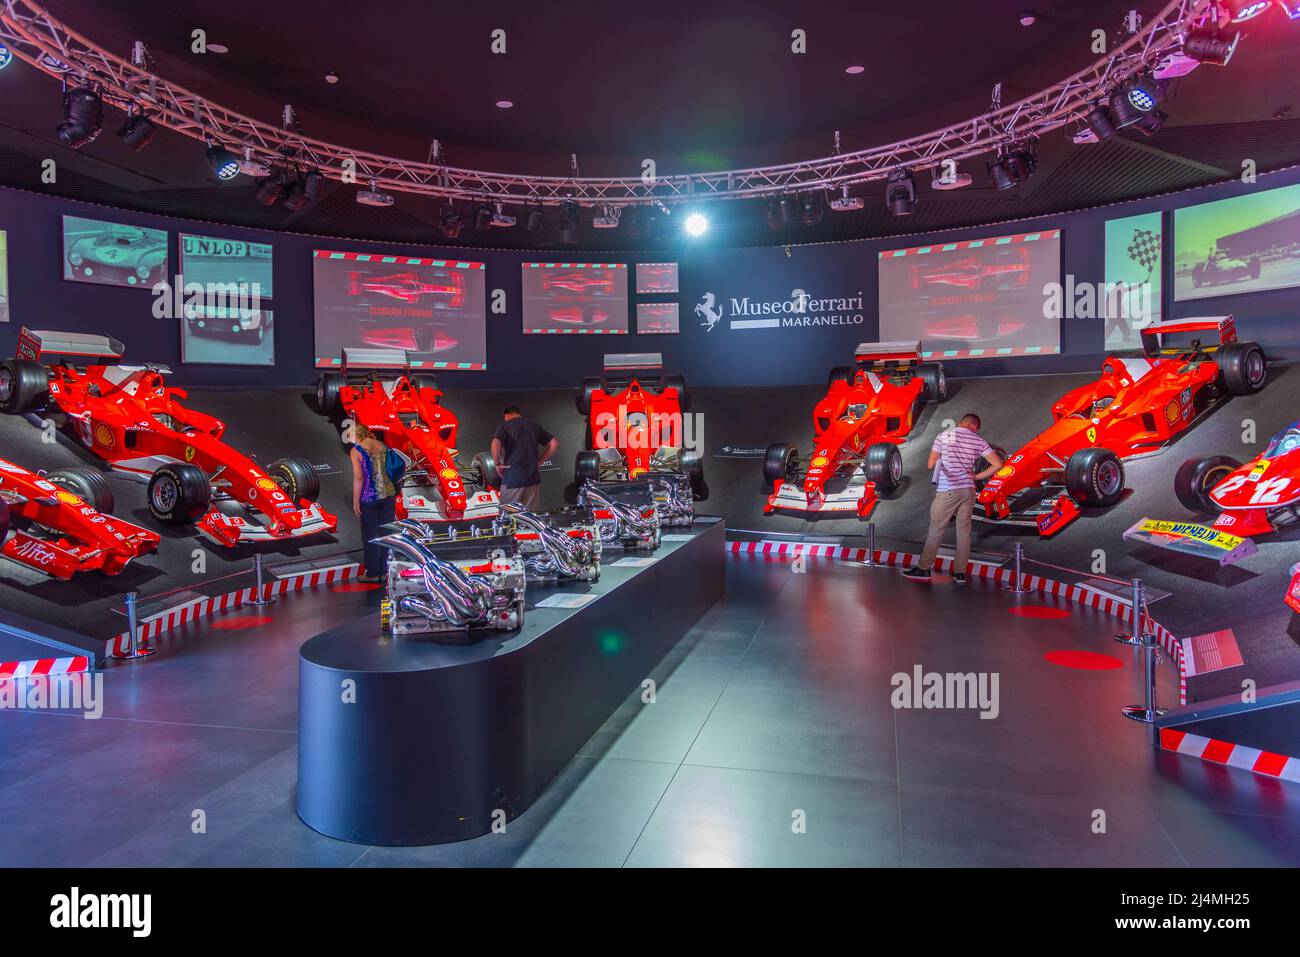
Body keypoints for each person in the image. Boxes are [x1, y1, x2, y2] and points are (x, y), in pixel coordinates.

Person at [903, 413, 1002, 585]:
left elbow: (930, 464)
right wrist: (977, 477)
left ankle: (924, 568)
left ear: (961, 423)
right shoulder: (979, 441)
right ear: (973, 426)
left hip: (948, 490)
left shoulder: (943, 436)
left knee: (936, 530)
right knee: (964, 533)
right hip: (968, 490)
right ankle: (960, 573)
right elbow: (998, 464)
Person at [350, 422, 398, 583]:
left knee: (370, 535)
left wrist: (356, 500)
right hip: (388, 495)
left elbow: (359, 477)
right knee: (386, 533)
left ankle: (372, 573)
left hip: (368, 497)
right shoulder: (381, 444)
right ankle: (385, 572)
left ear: (358, 436)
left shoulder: (356, 451)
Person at [491, 405, 558, 511]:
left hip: (513, 477)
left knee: (506, 517)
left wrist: (497, 464)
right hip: (533, 477)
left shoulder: (504, 425)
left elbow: (495, 444)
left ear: (507, 415)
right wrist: (539, 462)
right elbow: (554, 443)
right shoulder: (535, 425)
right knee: (529, 517)